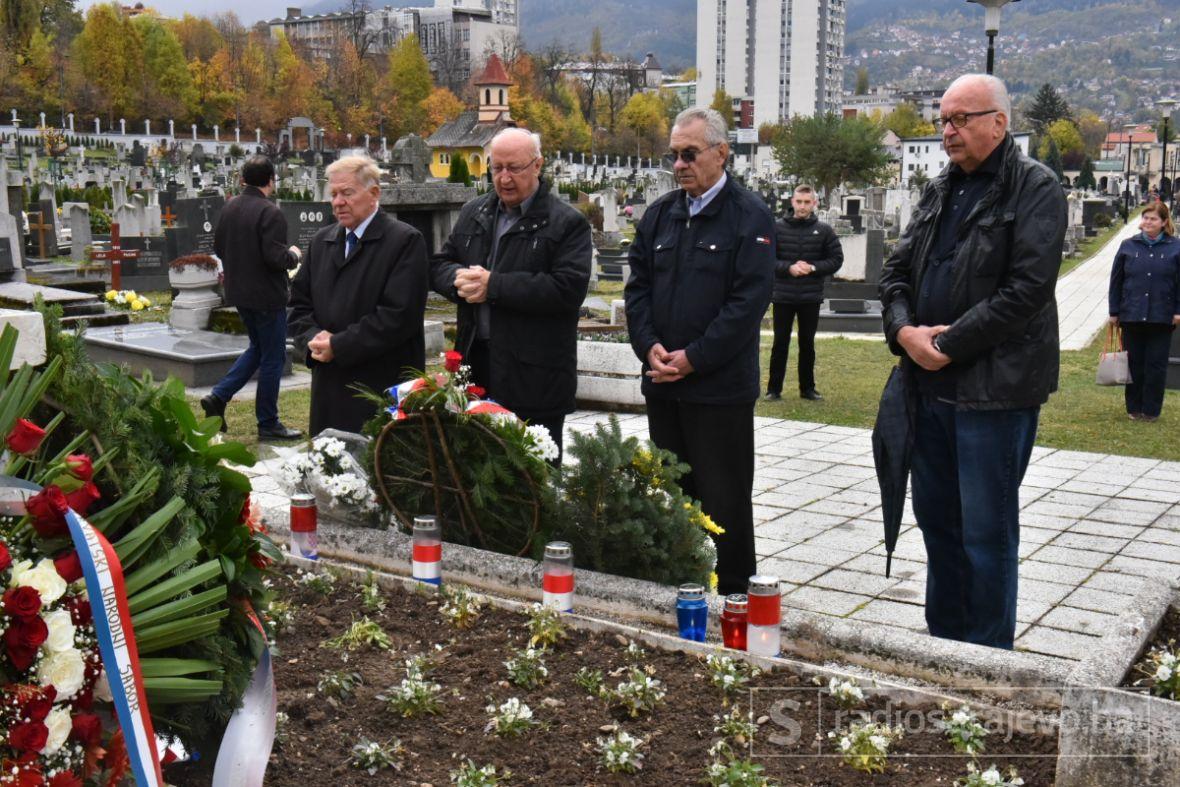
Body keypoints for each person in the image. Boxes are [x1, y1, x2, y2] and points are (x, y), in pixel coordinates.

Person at [878, 74, 1067, 650]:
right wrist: (905, 333)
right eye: (943, 120)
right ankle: (944, 647)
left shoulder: (1035, 188)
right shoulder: (940, 189)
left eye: (960, 119)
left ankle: (987, 659)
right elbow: (895, 272)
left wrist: (947, 345)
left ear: (999, 123)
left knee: (986, 535)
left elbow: (1026, 291)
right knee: (938, 526)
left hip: (993, 394)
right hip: (928, 390)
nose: (948, 131)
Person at [624, 107, 775, 596]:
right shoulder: (660, 215)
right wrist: (649, 347)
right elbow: (638, 290)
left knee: (725, 504)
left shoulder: (749, 215)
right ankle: (682, 590)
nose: (679, 165)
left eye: (689, 154)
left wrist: (694, 359)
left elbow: (746, 304)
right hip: (664, 387)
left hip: (718, 392)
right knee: (673, 500)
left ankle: (734, 602)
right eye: (674, 155)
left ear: (721, 152)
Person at [430, 128, 592, 460]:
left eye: (514, 168)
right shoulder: (475, 212)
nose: (504, 178)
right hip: (476, 366)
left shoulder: (567, 223)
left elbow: (567, 289)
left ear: (537, 165)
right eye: (497, 168)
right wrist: (459, 280)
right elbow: (439, 264)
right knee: (475, 470)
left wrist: (494, 287)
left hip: (534, 374)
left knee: (531, 473)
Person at [289, 155, 428, 435]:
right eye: (334, 194)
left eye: (347, 193)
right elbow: (298, 307)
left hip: (380, 386)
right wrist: (313, 340)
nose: (338, 202)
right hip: (330, 385)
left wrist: (339, 345)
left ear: (374, 193)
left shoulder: (404, 241)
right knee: (332, 458)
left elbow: (399, 316)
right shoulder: (322, 242)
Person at [201, 155, 304, 440]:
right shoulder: (270, 212)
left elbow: (219, 248)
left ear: (243, 179)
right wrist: (294, 255)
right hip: (267, 296)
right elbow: (275, 258)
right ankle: (268, 422)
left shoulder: (230, 207)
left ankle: (218, 397)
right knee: (273, 357)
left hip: (239, 293)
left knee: (258, 348)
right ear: (271, 180)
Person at [766, 184, 844, 401]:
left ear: (814, 203)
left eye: (807, 202)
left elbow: (836, 259)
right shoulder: (776, 228)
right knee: (780, 343)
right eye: (799, 202)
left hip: (810, 296)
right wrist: (788, 268)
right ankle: (774, 389)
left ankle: (807, 388)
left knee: (807, 343)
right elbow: (766, 258)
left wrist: (813, 268)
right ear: (792, 202)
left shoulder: (824, 230)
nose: (802, 206)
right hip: (783, 295)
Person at [1107, 201, 1180, 422]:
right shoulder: (1128, 246)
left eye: (1153, 219)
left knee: (1156, 365)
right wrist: (1114, 311)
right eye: (1145, 218)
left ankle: (1151, 410)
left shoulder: (1175, 248)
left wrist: (1178, 311)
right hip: (1132, 314)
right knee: (1134, 363)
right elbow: (1116, 281)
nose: (1148, 222)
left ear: (1164, 222)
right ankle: (1134, 407)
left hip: (1162, 315)